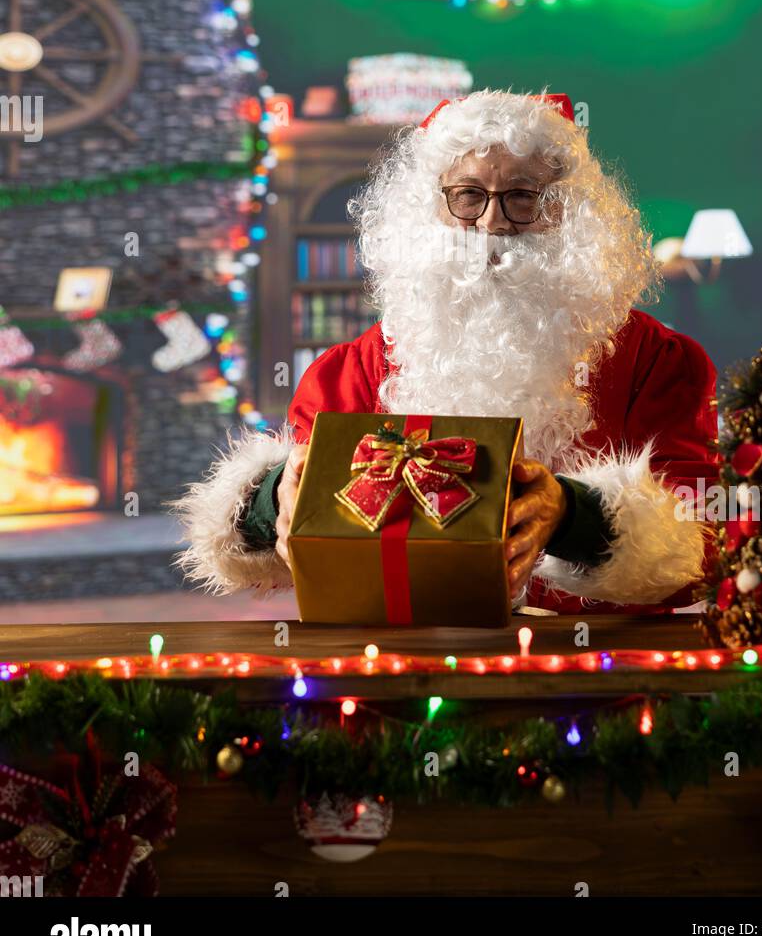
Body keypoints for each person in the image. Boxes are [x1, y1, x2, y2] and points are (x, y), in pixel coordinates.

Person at [176, 89, 717, 613]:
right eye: (468, 195)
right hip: (404, 656)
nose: (492, 222)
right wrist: (275, 496)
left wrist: (572, 515)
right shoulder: (350, 371)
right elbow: (288, 530)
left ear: (569, 214)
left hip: (598, 669)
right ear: (429, 211)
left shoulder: (659, 362)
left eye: (523, 196)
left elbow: (702, 538)